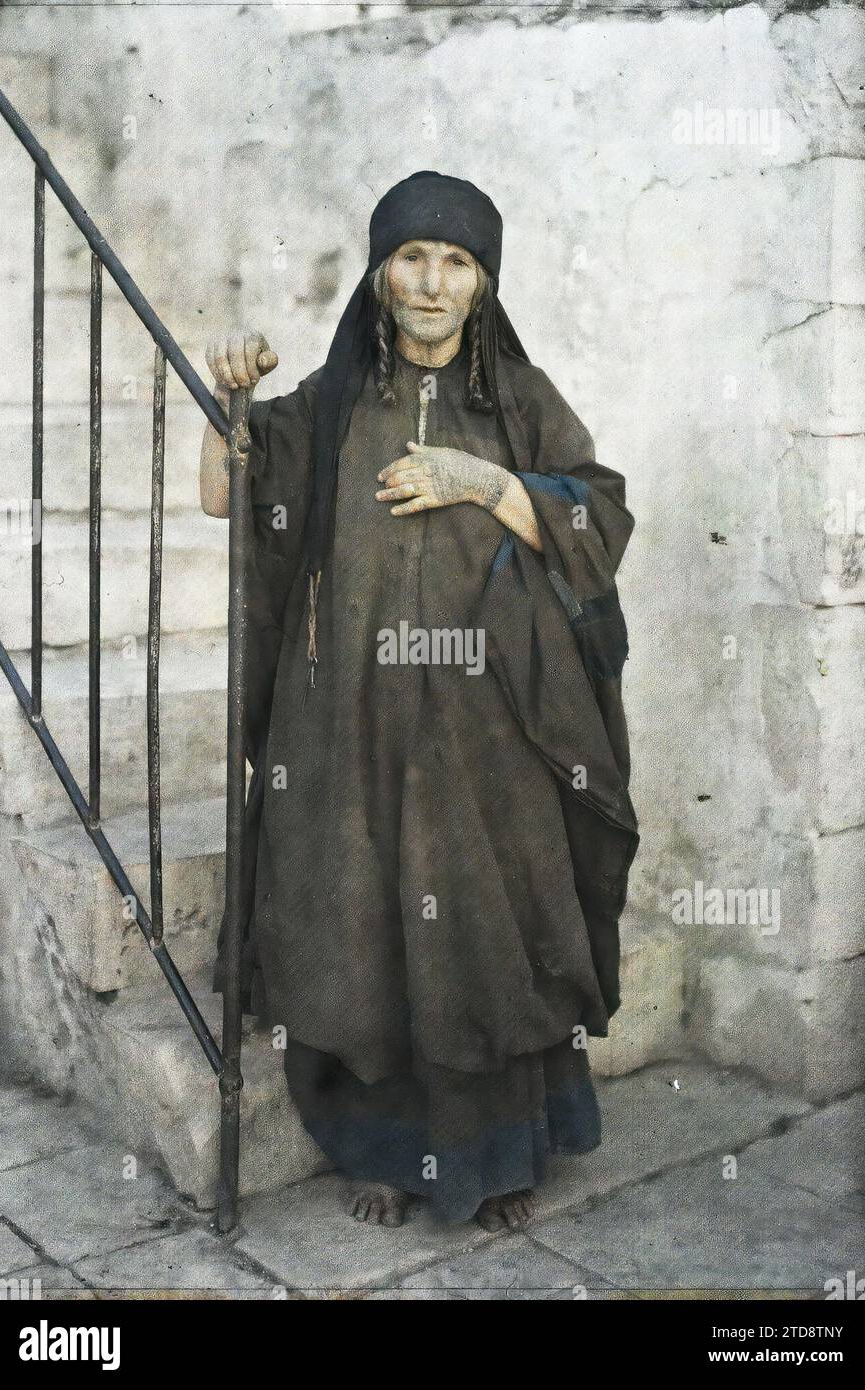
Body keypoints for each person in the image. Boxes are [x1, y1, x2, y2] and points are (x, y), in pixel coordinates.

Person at [200, 171, 638, 1232]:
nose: (431, 284)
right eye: (411, 258)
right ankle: (387, 1153)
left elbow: (603, 517)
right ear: (381, 272)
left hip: (496, 733)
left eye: (455, 262)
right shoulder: (331, 402)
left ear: (483, 282)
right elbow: (227, 493)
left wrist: (482, 481)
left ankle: (505, 1154)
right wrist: (232, 404)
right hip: (354, 727)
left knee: (492, 938)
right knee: (368, 933)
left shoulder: (522, 404)